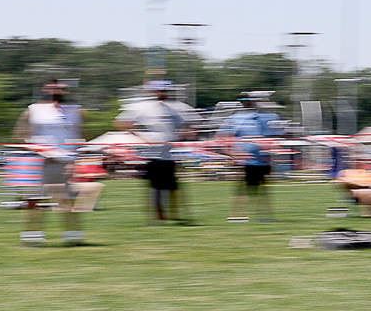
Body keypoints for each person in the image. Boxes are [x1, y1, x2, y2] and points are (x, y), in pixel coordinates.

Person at [13, 80, 86, 245]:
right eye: (52, 87)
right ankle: (32, 238)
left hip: (65, 162)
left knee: (67, 200)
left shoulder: (76, 111)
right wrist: (36, 148)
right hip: (38, 162)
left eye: (60, 87)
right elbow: (19, 134)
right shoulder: (33, 110)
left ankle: (73, 237)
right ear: (44, 90)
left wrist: (74, 160)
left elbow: (81, 137)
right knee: (33, 200)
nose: (56, 90)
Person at [116, 80, 199, 223]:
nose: (162, 93)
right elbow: (121, 122)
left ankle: (175, 214)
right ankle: (158, 216)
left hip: (170, 154)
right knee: (155, 188)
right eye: (159, 91)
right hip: (151, 155)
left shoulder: (177, 107)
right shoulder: (141, 107)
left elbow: (194, 123)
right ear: (152, 92)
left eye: (165, 91)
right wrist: (141, 137)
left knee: (173, 186)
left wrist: (182, 136)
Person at [216, 94, 281, 222]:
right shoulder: (234, 119)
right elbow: (220, 138)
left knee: (262, 189)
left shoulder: (268, 118)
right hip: (244, 161)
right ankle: (238, 216)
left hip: (262, 161)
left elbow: (275, 138)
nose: (250, 103)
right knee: (242, 188)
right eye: (246, 101)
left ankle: (264, 217)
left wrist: (271, 155)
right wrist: (232, 154)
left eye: (253, 100)